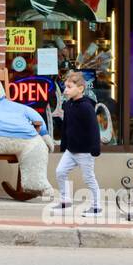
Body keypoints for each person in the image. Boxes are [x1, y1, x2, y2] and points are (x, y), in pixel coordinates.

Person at [53, 71, 101, 217]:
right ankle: (65, 199)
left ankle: (96, 207)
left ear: (80, 89)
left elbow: (94, 128)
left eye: (69, 87)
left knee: (88, 178)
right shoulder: (68, 105)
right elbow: (66, 125)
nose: (65, 90)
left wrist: (95, 147)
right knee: (60, 172)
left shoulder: (86, 107)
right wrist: (64, 143)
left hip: (85, 151)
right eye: (65, 87)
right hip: (71, 150)